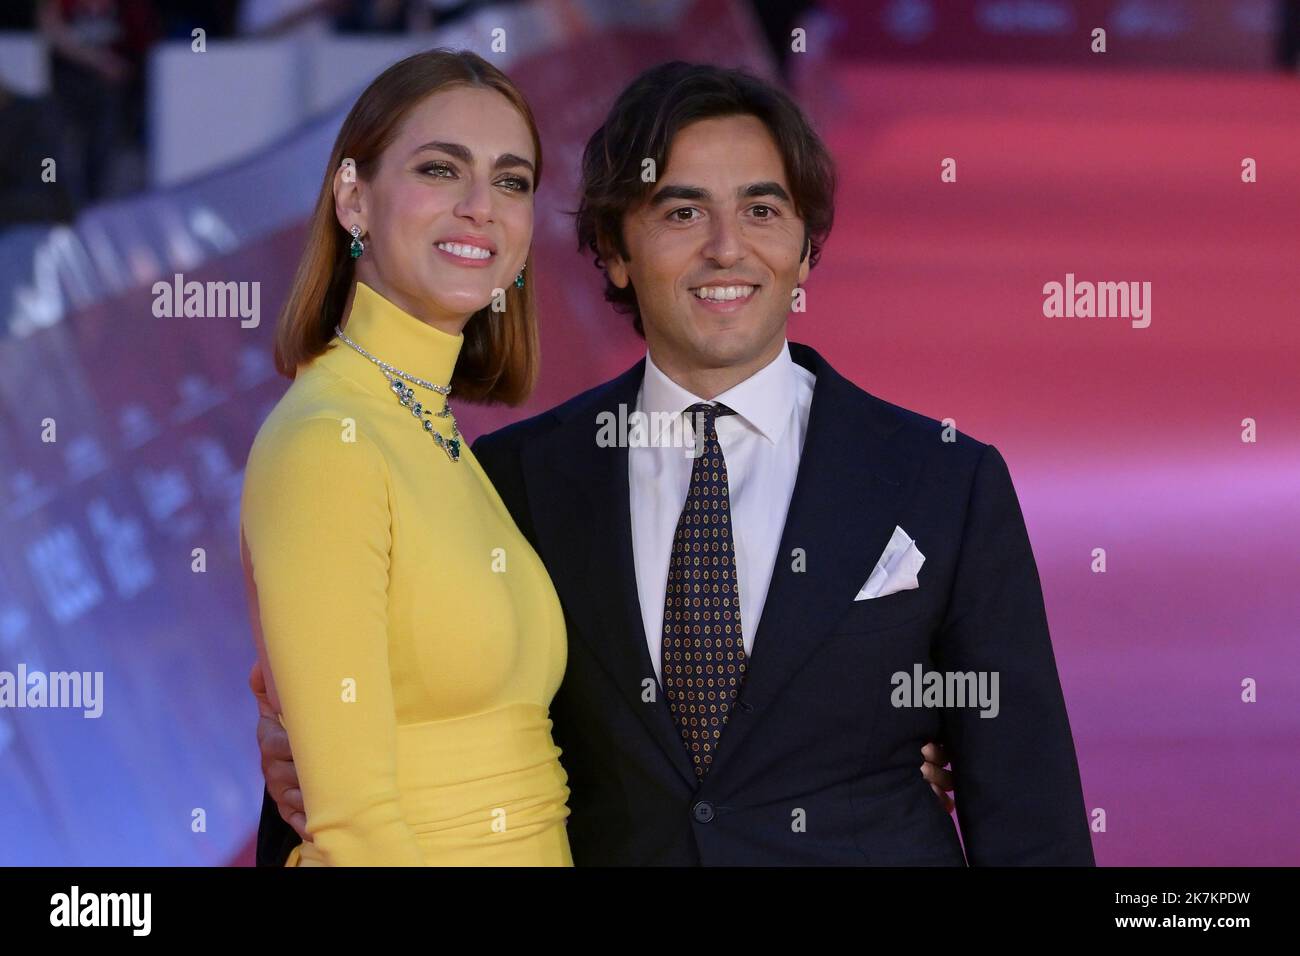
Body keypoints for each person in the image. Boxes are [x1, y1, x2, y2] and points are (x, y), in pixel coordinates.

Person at [256, 61, 1088, 867]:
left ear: (805, 250)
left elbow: (1028, 808)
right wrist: (298, 760)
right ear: (614, 251)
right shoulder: (518, 480)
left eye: (763, 211)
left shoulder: (941, 479)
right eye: (682, 214)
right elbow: (387, 714)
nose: (727, 249)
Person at [239, 49, 572, 865]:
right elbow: (355, 828)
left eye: (511, 181)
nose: (479, 208)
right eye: (439, 169)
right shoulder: (328, 442)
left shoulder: (426, 424)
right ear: (354, 198)